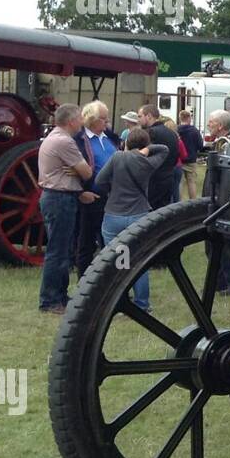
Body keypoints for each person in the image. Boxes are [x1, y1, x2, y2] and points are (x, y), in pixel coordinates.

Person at [95, 128, 168, 313]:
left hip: (114, 214)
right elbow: (165, 149)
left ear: (126, 143)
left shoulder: (117, 157)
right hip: (139, 214)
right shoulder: (148, 162)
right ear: (145, 145)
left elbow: (99, 180)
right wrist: (147, 149)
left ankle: (121, 301)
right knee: (139, 261)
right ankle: (142, 303)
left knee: (120, 262)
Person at [37, 104, 92, 314]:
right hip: (60, 198)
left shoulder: (54, 137)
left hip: (56, 197)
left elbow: (79, 170)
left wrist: (75, 171)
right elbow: (86, 172)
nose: (82, 122)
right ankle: (50, 300)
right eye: (79, 118)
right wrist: (78, 170)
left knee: (60, 250)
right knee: (58, 252)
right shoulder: (65, 142)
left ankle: (59, 296)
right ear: (71, 121)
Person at [73, 100, 121, 278]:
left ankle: (112, 281)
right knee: (86, 242)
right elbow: (72, 169)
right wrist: (80, 192)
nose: (106, 122)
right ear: (91, 119)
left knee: (113, 242)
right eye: (103, 118)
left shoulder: (110, 138)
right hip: (92, 196)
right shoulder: (79, 140)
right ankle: (84, 283)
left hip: (113, 196)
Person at [205, 109, 230, 294]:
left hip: (224, 198)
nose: (208, 125)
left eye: (211, 122)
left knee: (226, 244)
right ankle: (218, 281)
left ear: (220, 125)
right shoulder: (218, 143)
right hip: (214, 196)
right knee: (211, 244)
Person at [137, 104, 181, 211]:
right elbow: (176, 156)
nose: (138, 120)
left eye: (140, 116)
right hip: (168, 177)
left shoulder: (150, 133)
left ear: (149, 116)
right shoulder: (172, 133)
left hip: (153, 180)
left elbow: (142, 157)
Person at [177, 110, 204, 200]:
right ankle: (193, 202)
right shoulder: (194, 131)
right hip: (191, 160)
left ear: (180, 118)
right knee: (191, 182)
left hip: (179, 159)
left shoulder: (177, 130)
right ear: (189, 118)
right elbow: (200, 145)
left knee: (179, 183)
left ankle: (179, 202)